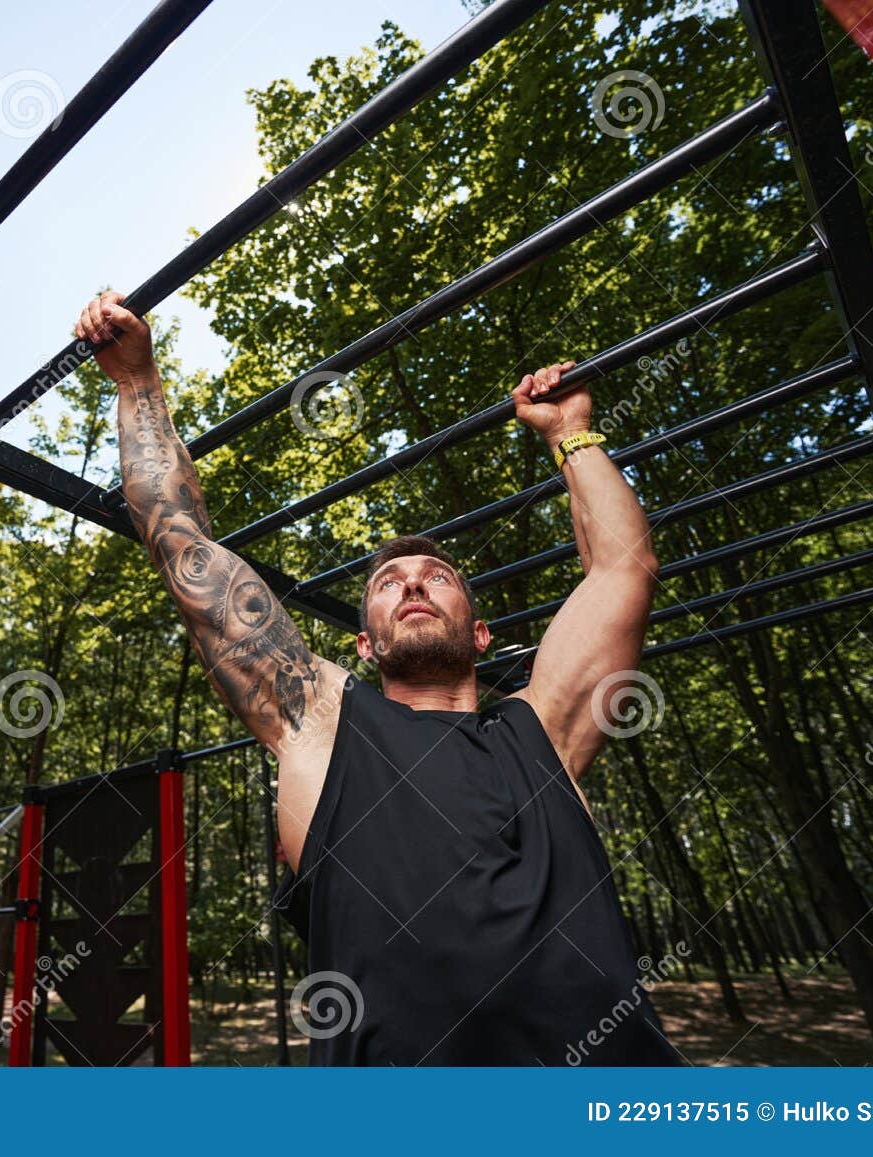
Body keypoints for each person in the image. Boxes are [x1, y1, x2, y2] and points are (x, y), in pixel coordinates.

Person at [77, 290, 677, 1065]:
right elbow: (182, 544)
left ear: (482, 631)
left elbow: (623, 567)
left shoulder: (544, 728)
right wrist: (137, 384)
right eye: (391, 583)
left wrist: (570, 433)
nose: (416, 584)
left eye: (438, 576)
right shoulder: (320, 721)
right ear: (363, 642)